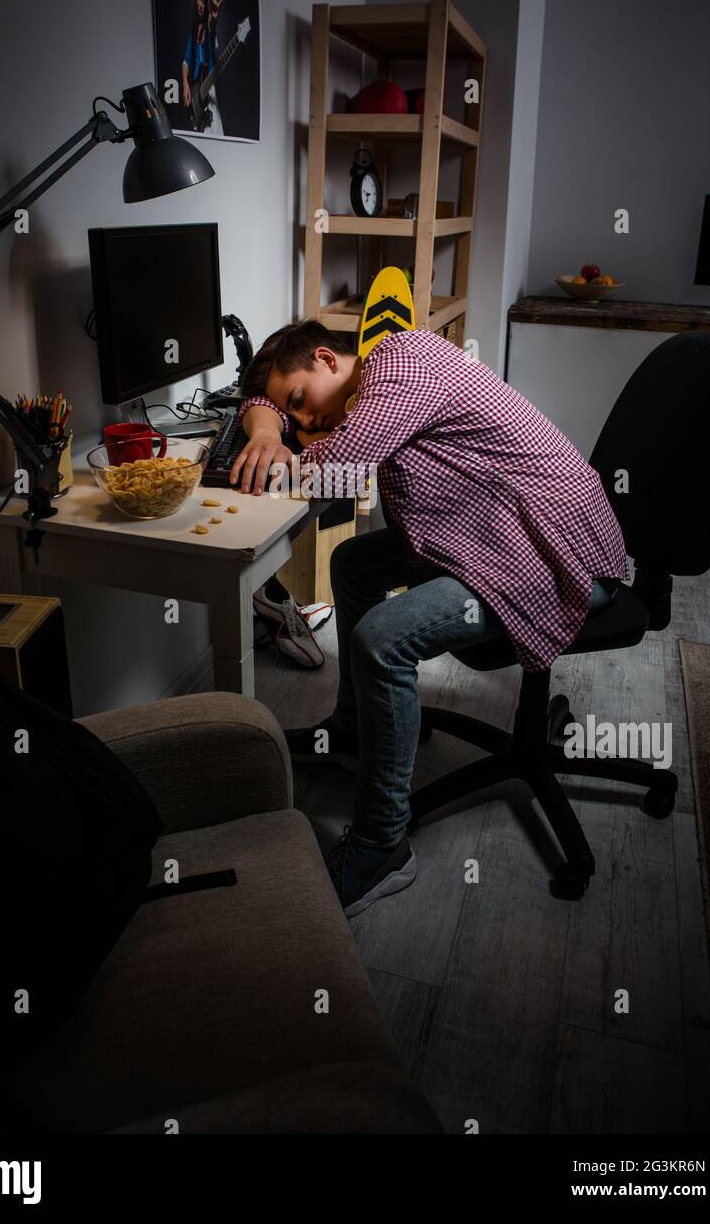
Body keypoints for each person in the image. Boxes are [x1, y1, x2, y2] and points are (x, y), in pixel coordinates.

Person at [232, 320, 627, 918]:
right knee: (354, 563)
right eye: (296, 418)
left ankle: (381, 844)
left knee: (380, 639)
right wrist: (268, 420)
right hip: (496, 527)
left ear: (326, 359)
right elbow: (280, 405)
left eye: (300, 405)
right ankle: (355, 730)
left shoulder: (400, 363)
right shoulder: (368, 376)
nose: (307, 424)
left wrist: (285, 447)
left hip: (554, 552)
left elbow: (334, 476)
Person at [181, 0, 225, 137]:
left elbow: (212, 30)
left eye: (203, 1)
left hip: (208, 90)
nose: (200, 4)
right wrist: (185, 83)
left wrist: (214, 18)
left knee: (213, 132)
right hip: (195, 93)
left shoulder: (209, 27)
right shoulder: (193, 33)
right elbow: (186, 61)